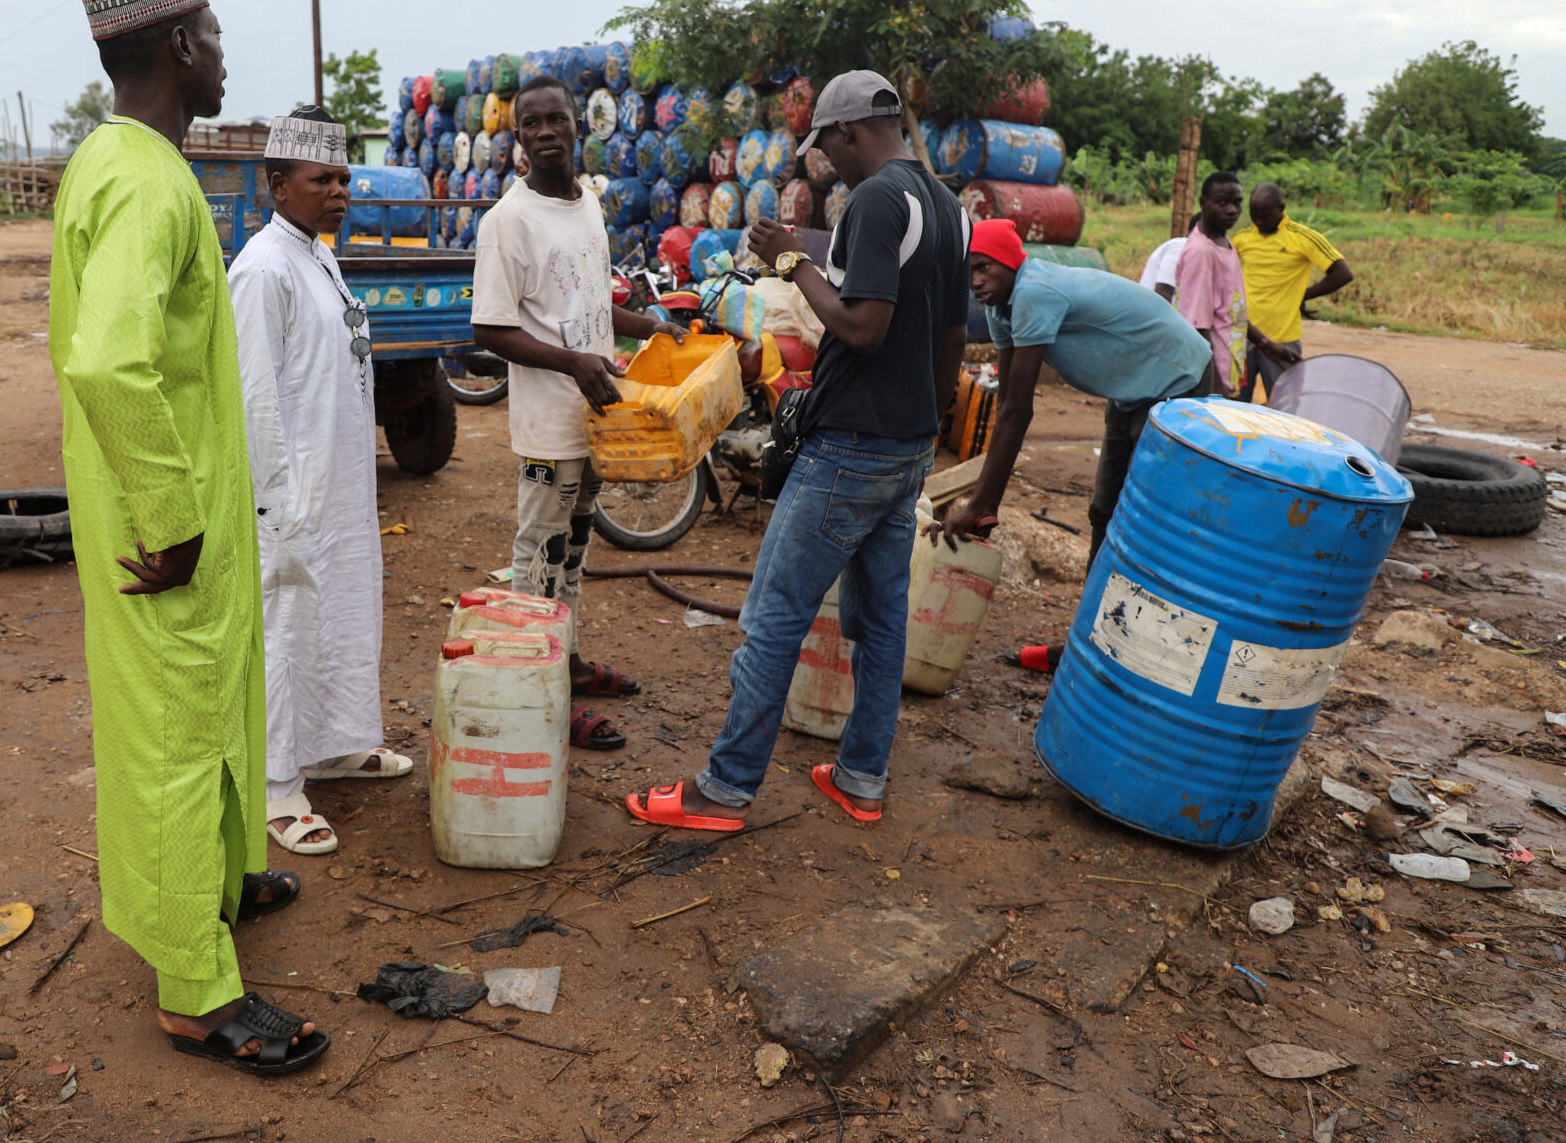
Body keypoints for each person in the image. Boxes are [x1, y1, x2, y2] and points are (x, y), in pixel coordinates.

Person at [48, 0, 322, 1077]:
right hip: (161, 530)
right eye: (209, 34)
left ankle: (212, 887)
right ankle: (194, 990)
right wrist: (170, 516)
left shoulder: (131, 168)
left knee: (213, 706)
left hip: (186, 516)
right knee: (170, 733)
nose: (222, 56)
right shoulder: (139, 182)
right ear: (176, 41)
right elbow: (109, 362)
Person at [626, 70, 970, 832]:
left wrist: (791, 259)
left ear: (851, 132)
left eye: (827, 146)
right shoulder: (947, 204)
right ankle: (862, 777)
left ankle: (725, 788)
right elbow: (951, 336)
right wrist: (928, 428)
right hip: (907, 444)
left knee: (774, 615)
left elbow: (861, 326)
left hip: (849, 446)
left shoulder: (880, 198)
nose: (826, 164)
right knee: (881, 622)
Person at [470, 73, 683, 751]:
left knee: (577, 546)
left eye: (554, 119)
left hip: (596, 417)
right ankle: (541, 694)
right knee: (538, 555)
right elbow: (491, 329)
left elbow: (585, 306)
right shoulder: (506, 222)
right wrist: (574, 364)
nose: (543, 132)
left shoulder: (587, 203)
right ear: (517, 138)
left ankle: (567, 661)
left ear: (576, 125)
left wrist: (643, 321)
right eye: (528, 124)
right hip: (548, 426)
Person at [227, 106, 408, 859]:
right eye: (319, 178)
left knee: (339, 614)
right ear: (278, 184)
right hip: (292, 494)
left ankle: (336, 744)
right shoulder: (264, 268)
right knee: (289, 629)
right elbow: (254, 395)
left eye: (342, 177)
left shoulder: (318, 255)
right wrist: (277, 504)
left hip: (340, 486)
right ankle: (277, 786)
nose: (337, 190)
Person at [938, 220, 1218, 565]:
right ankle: (1093, 599)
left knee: (1141, 507)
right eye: (968, 273)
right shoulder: (999, 305)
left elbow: (1017, 412)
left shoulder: (1035, 291)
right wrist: (984, 509)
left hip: (1179, 373)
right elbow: (1009, 403)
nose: (975, 281)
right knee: (1103, 508)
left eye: (984, 267)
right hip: (1131, 387)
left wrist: (978, 506)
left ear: (1010, 262)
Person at [1232, 182, 1353, 400]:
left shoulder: (1302, 237)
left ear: (1282, 208)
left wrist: (1302, 295)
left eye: (1265, 215)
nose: (1259, 221)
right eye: (1254, 215)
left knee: (1285, 405)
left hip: (1282, 340)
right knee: (1233, 406)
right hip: (1243, 337)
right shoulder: (1242, 238)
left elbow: (1343, 273)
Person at [1172, 171, 1252, 395]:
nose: (1232, 210)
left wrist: (1265, 343)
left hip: (1228, 367)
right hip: (1212, 378)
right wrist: (1215, 387)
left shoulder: (1224, 242)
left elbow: (1229, 309)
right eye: (1222, 203)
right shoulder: (1202, 252)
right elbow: (1197, 326)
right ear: (1203, 203)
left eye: (1237, 203)